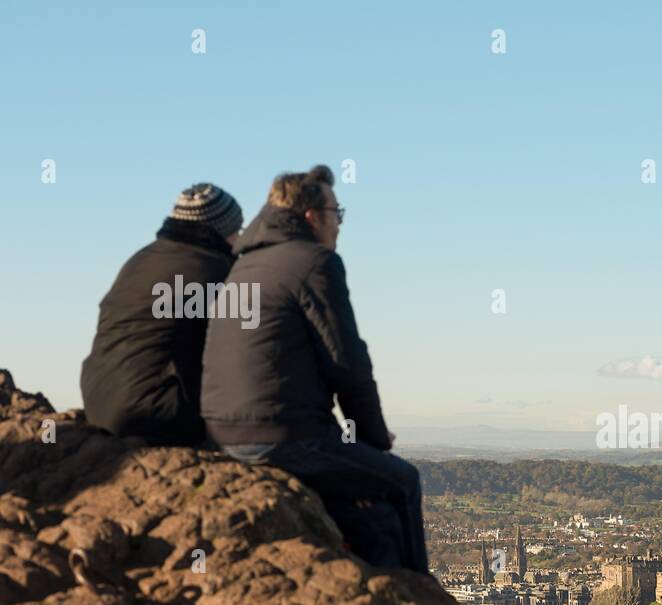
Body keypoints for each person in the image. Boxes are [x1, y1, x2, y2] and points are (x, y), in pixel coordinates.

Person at [200, 164, 429, 574]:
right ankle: (427, 602)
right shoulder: (315, 262)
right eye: (335, 213)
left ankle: (383, 591)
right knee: (402, 483)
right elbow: (347, 363)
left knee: (369, 520)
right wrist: (373, 439)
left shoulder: (242, 266)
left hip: (223, 434)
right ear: (311, 217)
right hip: (281, 437)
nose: (339, 225)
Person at [81, 184, 243, 445]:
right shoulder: (215, 270)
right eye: (237, 230)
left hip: (99, 402)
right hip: (157, 415)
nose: (239, 239)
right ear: (222, 230)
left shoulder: (141, 259)